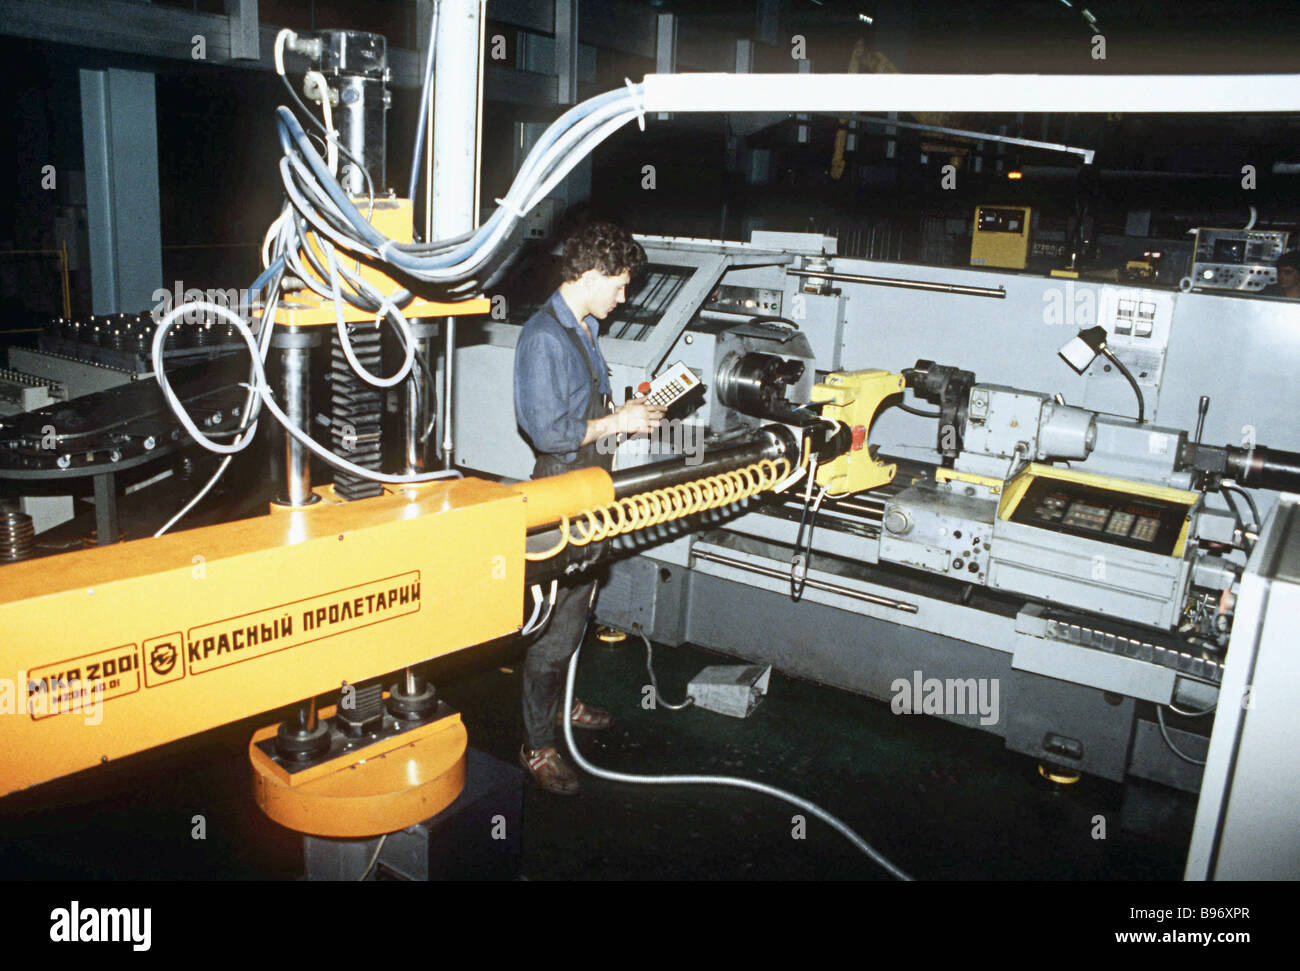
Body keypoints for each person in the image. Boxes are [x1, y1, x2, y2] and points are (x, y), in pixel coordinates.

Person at [513, 221, 664, 795]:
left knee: (576, 614)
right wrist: (616, 421)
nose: (623, 298)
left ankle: (560, 704)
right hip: (561, 493)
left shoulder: (584, 328)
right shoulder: (544, 339)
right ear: (593, 275)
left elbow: (586, 411)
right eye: (619, 285)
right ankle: (537, 744)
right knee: (552, 629)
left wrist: (628, 415)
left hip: (591, 486)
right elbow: (551, 433)